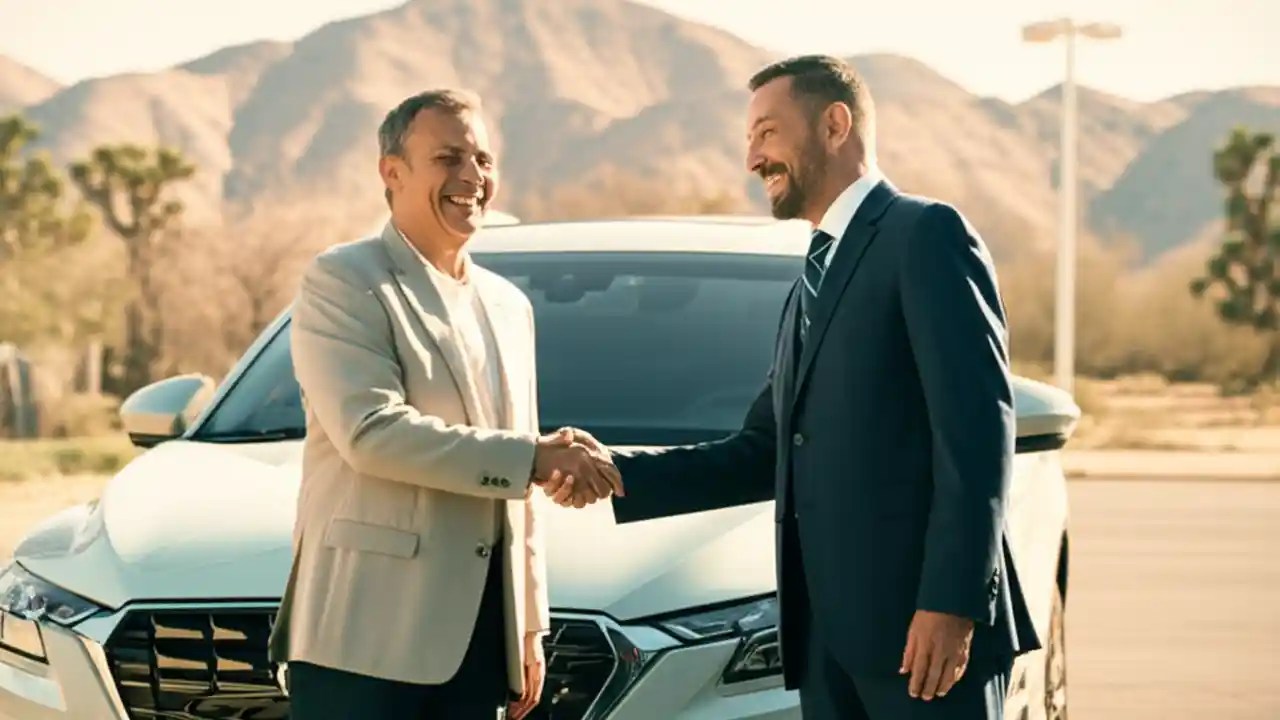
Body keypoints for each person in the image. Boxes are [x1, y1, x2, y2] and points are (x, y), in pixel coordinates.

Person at [549, 55, 1039, 719]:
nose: (752, 159)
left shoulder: (925, 236)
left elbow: (978, 436)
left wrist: (951, 604)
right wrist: (616, 473)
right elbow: (766, 450)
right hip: (827, 649)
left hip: (921, 642)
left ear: (835, 124)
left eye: (767, 133)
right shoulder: (811, 276)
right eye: (749, 139)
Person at [267, 88, 620, 720]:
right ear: (392, 172)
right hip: (364, 643)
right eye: (449, 157)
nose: (472, 177)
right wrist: (536, 459)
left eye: (483, 159)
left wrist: (528, 625)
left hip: (480, 648)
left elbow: (519, 488)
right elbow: (372, 431)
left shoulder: (511, 307)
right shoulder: (344, 280)